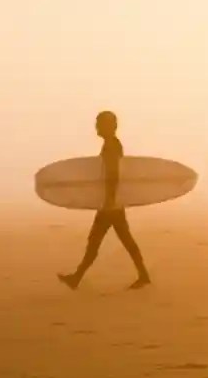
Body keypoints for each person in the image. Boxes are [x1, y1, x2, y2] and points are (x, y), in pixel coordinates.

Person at [58, 111, 152, 290]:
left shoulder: (111, 145)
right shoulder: (112, 144)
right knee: (122, 240)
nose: (96, 127)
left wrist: (109, 200)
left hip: (110, 204)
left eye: (99, 123)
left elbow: (113, 173)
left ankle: (76, 279)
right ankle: (143, 275)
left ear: (108, 126)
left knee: (96, 241)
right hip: (112, 202)